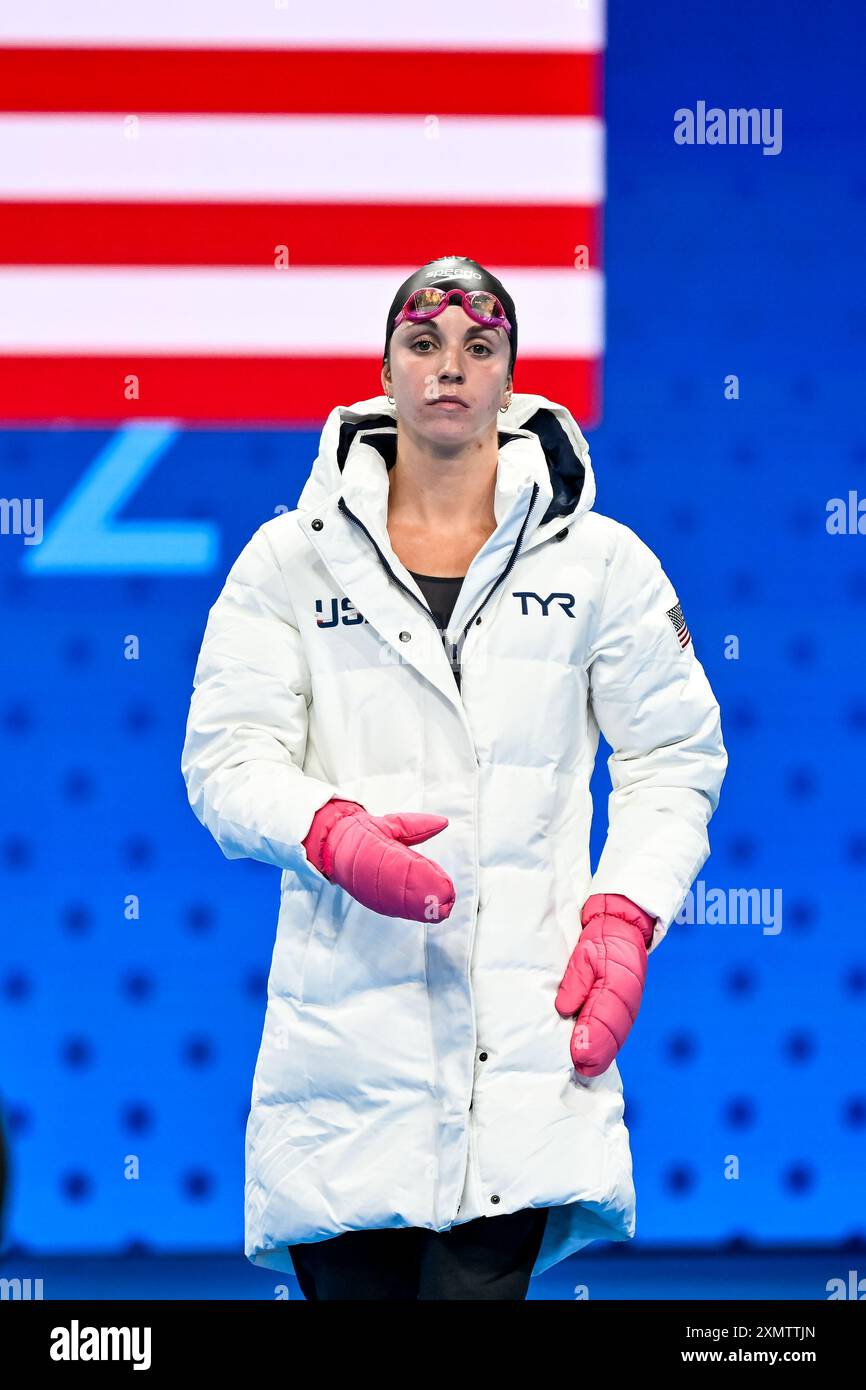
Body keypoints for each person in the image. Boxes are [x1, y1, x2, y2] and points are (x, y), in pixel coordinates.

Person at [180, 255, 728, 1300]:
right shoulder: (284, 563)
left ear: (510, 379)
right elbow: (225, 757)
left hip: (524, 1038)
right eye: (423, 344)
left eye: (479, 348)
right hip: (344, 1046)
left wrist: (623, 911)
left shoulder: (602, 565)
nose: (449, 368)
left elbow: (673, 754)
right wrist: (329, 829)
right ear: (382, 371)